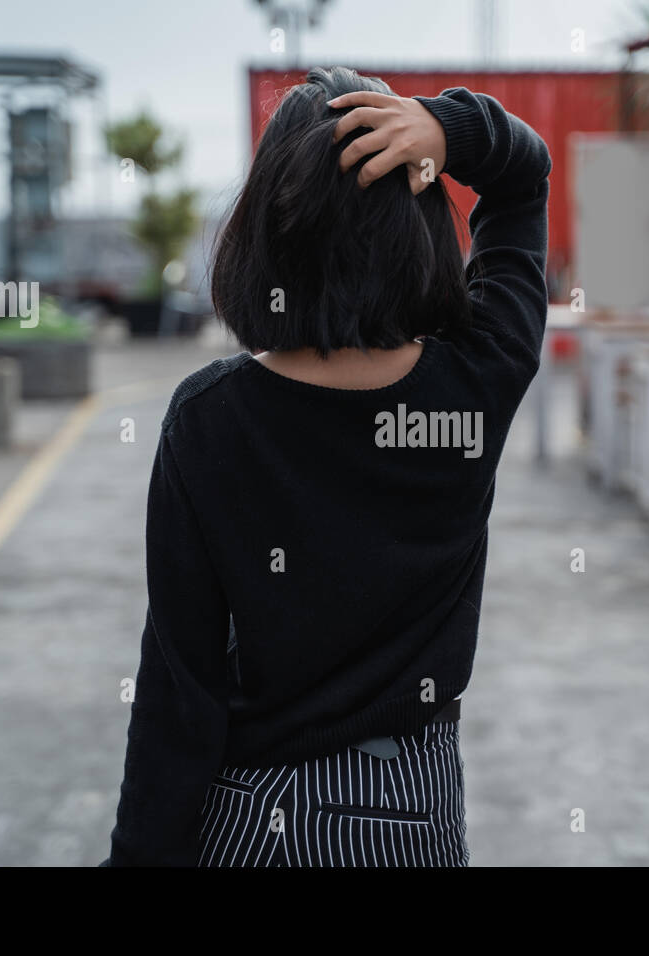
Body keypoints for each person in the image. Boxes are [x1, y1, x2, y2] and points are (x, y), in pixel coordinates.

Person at [102, 67, 550, 866]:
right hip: (413, 817)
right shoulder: (477, 380)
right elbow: (525, 178)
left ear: (269, 227)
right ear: (415, 223)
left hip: (250, 817)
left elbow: (180, 689)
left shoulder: (208, 419)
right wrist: (449, 129)